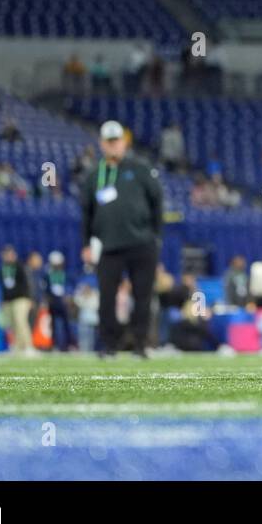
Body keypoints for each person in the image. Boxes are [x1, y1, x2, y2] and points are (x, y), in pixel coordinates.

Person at [79, 121, 163, 358]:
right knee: (106, 296)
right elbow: (86, 211)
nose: (113, 145)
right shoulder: (95, 175)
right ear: (102, 143)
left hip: (141, 243)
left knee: (143, 295)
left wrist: (156, 237)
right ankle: (109, 344)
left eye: (117, 140)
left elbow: (157, 202)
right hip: (108, 245)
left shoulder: (140, 169)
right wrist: (86, 243)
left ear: (124, 142)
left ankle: (140, 344)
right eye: (109, 141)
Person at [0, 245, 34, 355]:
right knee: (13, 324)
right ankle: (17, 347)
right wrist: (4, 299)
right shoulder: (2, 269)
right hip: (9, 300)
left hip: (21, 298)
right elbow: (3, 287)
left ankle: (28, 346)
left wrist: (29, 298)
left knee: (21, 322)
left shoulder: (20, 266)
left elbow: (27, 283)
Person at [43, 250, 72, 351]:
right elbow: (46, 288)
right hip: (53, 301)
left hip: (63, 300)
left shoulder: (65, 273)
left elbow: (69, 286)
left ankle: (68, 345)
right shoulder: (47, 274)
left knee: (66, 324)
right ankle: (54, 344)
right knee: (54, 325)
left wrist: (68, 295)